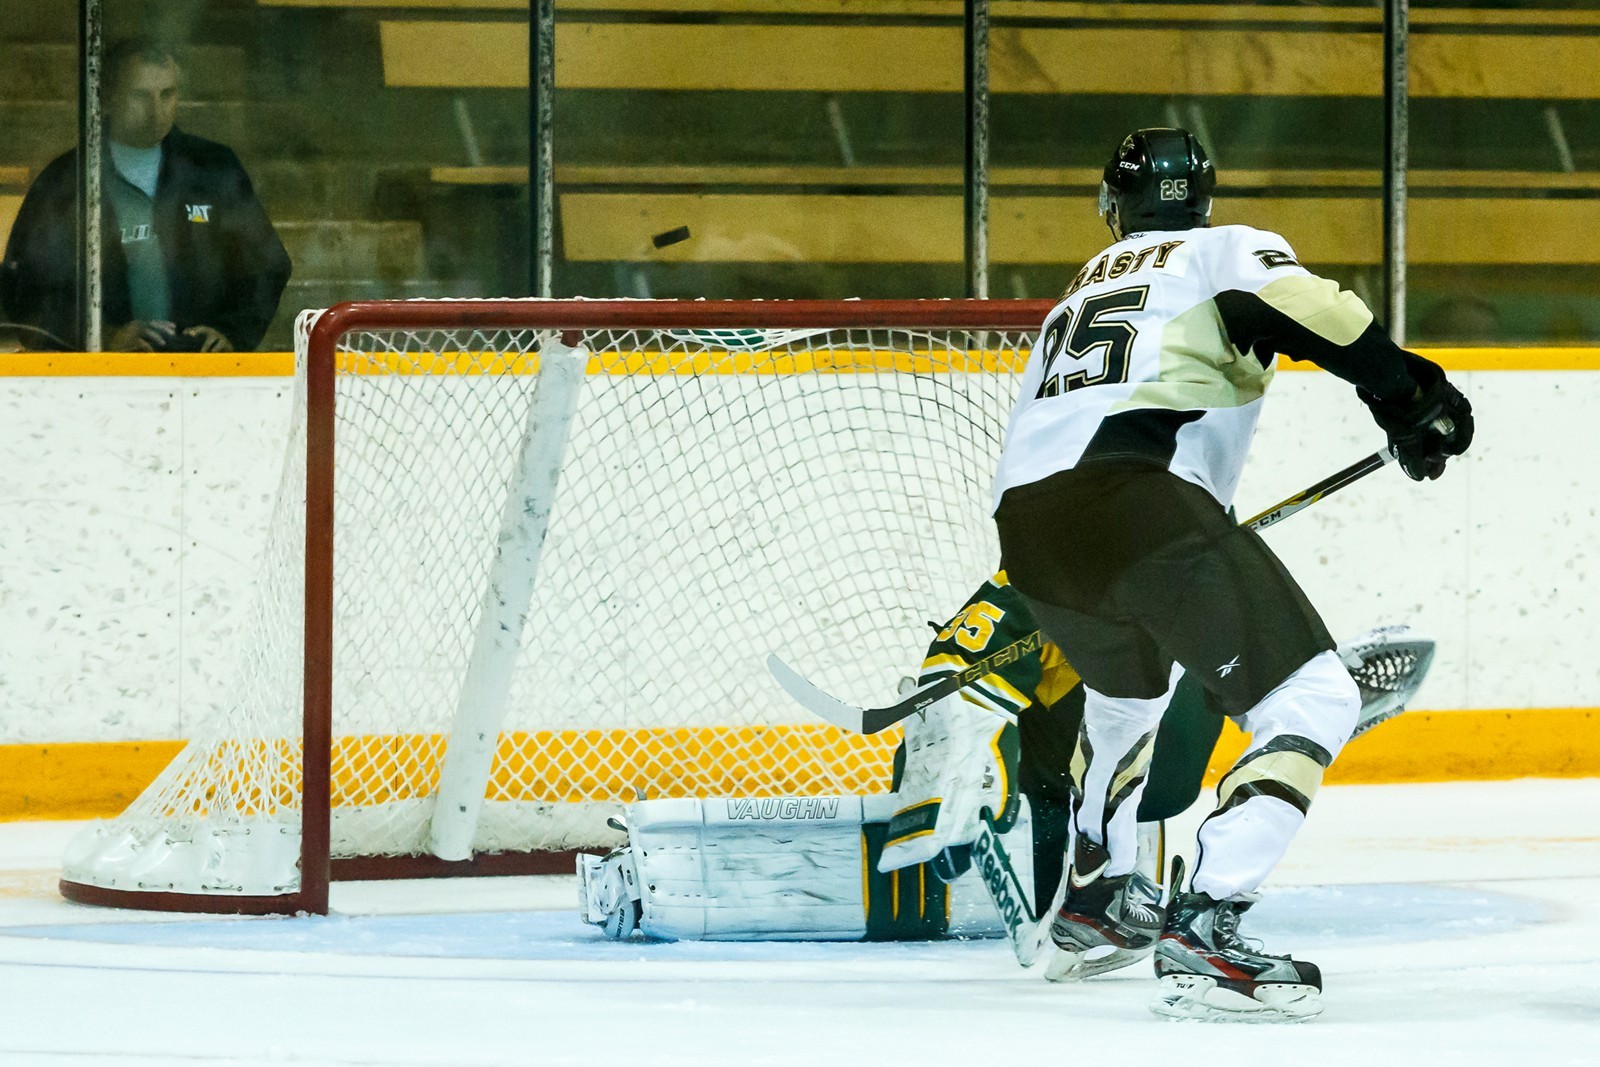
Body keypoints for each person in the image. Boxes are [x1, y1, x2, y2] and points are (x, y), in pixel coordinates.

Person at [990, 128, 1473, 1020]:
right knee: (1315, 697)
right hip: (1139, 502)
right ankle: (1207, 922)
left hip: (1030, 531)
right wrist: (1411, 396)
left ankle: (1098, 902)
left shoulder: (1077, 296)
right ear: (1200, 201)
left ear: (1112, 206)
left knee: (1125, 697)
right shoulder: (1218, 248)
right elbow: (1313, 308)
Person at [578, 566, 1433, 961]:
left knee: (1171, 741)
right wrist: (957, 763)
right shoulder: (1037, 578)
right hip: (1032, 817)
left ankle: (1306, 702)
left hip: (1113, 802)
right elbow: (947, 681)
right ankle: (1306, 706)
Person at [0, 37, 290, 352]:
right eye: (140, 95)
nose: (156, 110)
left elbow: (266, 267)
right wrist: (101, 336)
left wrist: (232, 332)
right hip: (98, 378)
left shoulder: (214, 168)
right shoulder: (66, 179)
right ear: (107, 98)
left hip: (201, 370)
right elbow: (25, 289)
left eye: (167, 94)